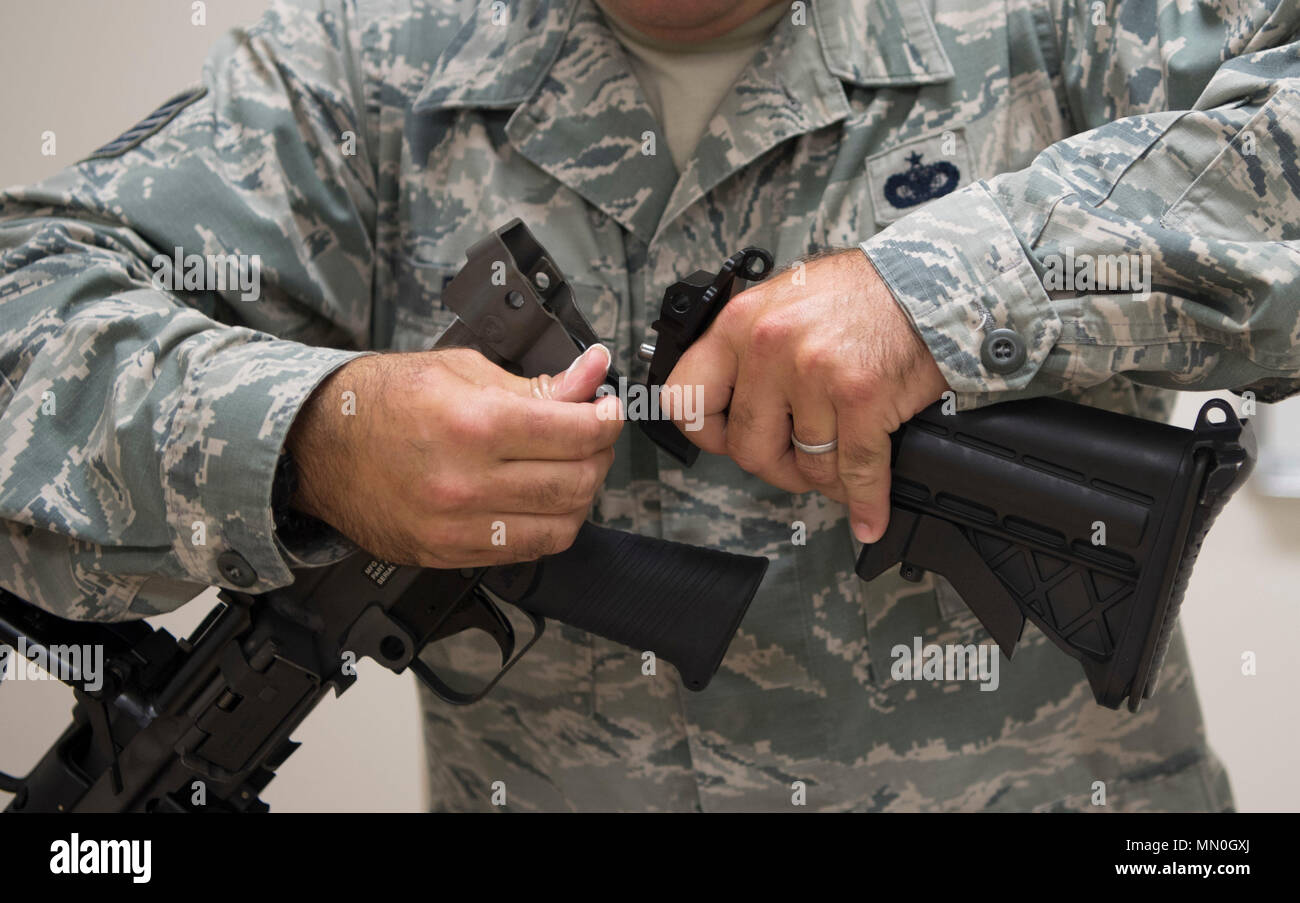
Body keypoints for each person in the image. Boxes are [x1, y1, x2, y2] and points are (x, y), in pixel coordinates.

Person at [2, 0, 1297, 811]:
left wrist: (950, 288)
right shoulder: (362, 64)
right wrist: (308, 435)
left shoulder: (1062, 17)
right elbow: (23, 310)